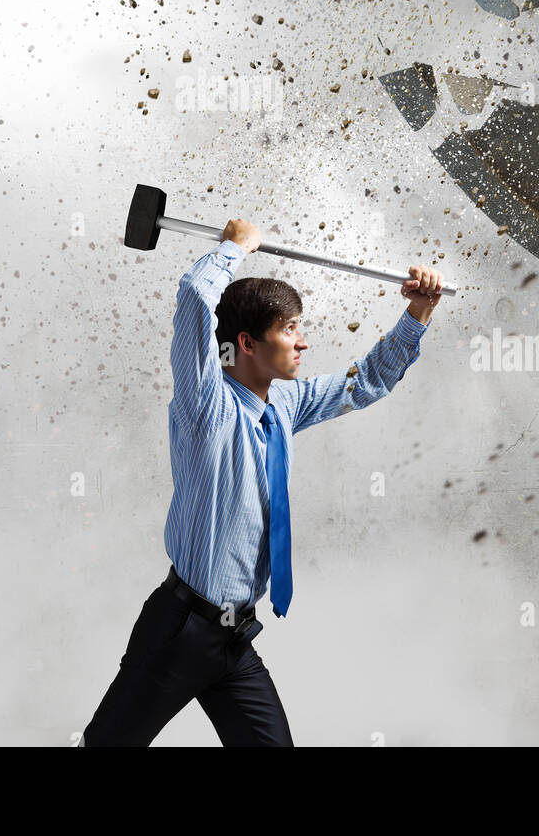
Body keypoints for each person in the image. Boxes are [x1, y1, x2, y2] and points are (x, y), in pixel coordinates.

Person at [80, 217, 445, 746]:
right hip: (179, 631)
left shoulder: (286, 404)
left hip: (233, 637)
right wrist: (232, 248)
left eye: (300, 327)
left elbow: (367, 381)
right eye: (290, 329)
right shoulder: (206, 406)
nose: (302, 342)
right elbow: (192, 304)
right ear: (246, 343)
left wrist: (418, 312)